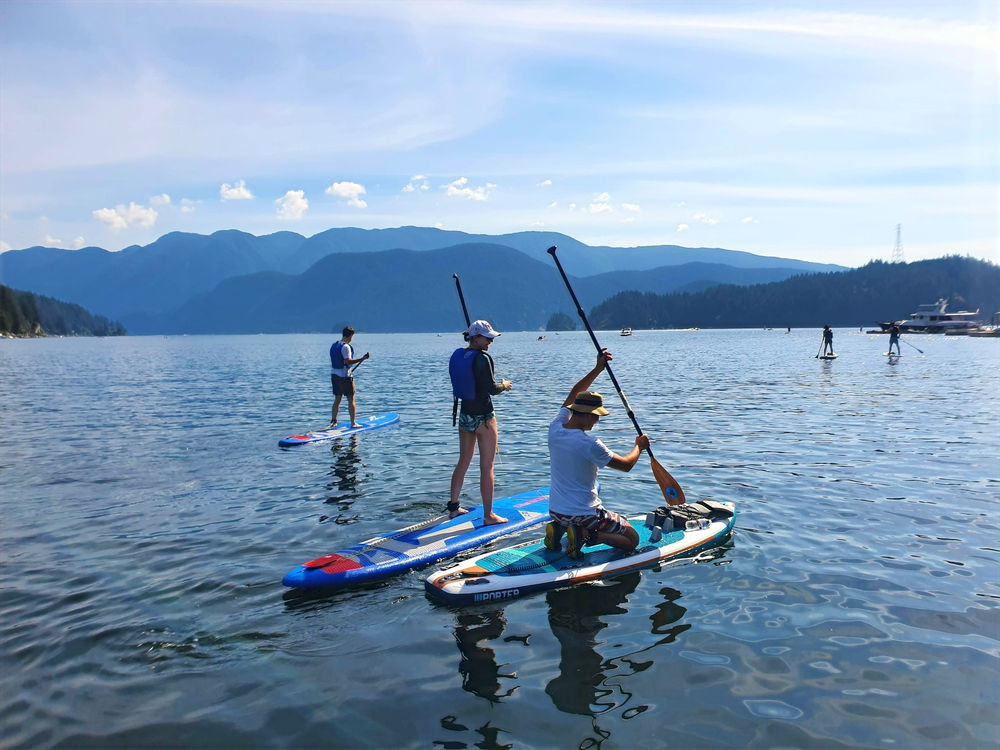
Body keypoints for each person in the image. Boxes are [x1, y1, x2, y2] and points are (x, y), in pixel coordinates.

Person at [544, 349, 649, 559]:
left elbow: (574, 392)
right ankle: (586, 535)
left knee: (569, 517)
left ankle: (559, 528)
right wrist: (639, 446)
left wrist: (597, 369)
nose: (597, 421)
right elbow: (626, 465)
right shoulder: (590, 444)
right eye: (596, 416)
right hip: (585, 514)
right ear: (587, 415)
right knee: (632, 540)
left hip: (556, 511)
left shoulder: (555, 427)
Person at [448, 320, 512, 525]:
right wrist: (504, 385)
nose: (491, 341)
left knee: (463, 461)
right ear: (475, 337)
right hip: (484, 418)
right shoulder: (483, 359)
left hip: (465, 415)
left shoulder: (459, 355)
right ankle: (489, 515)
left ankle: (454, 508)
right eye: (487, 338)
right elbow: (491, 389)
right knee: (487, 467)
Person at [329, 326, 369, 429]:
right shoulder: (346, 347)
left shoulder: (334, 345)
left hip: (334, 376)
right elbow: (348, 361)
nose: (352, 338)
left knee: (337, 398)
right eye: (352, 336)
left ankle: (333, 421)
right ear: (350, 336)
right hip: (345, 377)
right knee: (351, 399)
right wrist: (362, 359)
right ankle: (353, 423)